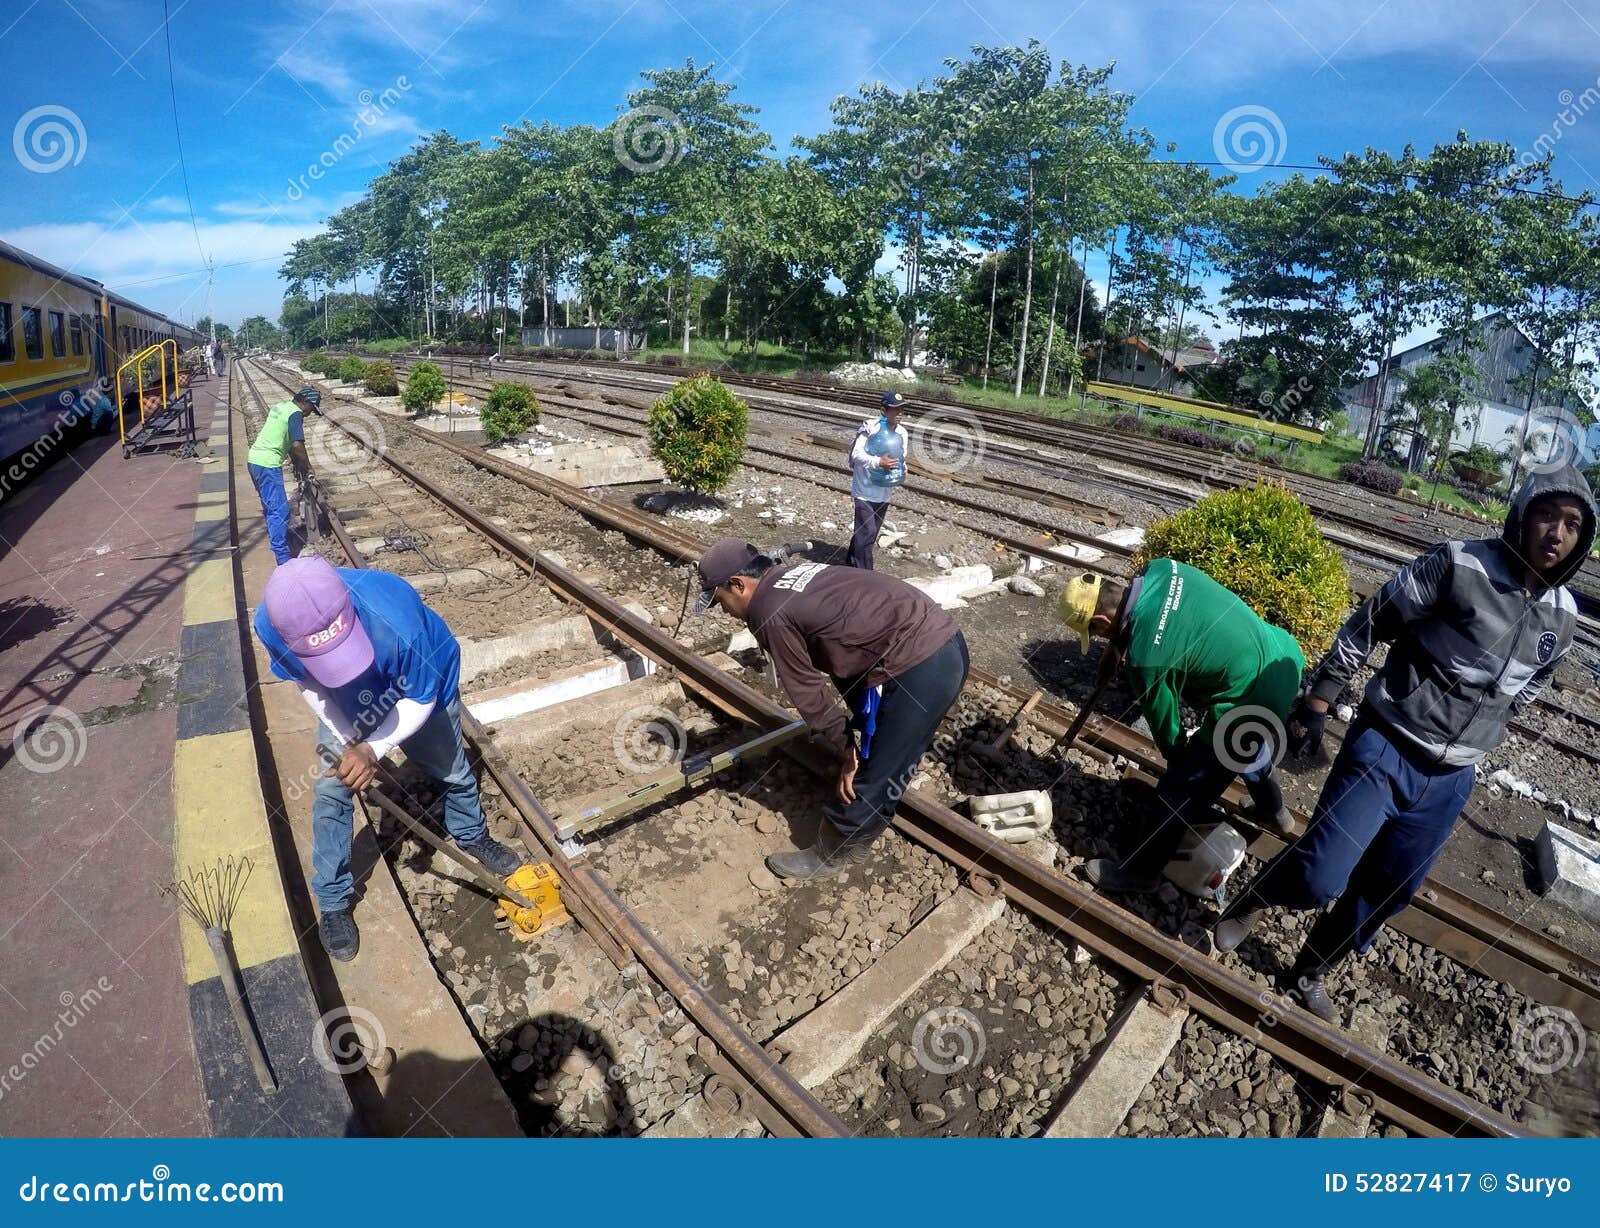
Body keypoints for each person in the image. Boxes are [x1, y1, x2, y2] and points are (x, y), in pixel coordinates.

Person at [1212, 466, 1595, 1024]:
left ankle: (1309, 972)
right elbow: (1371, 620)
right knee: (1322, 875)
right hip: (1386, 745)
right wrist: (1320, 700)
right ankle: (1256, 898)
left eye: (1572, 525)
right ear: (1521, 514)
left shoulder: (1564, 616)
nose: (1556, 534)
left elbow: (1534, 683)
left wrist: (1489, 724)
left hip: (1451, 779)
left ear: (1582, 538)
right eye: (1546, 515)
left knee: (1389, 889)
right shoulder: (1460, 564)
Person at [254, 557, 525, 961]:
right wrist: (350, 739)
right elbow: (309, 683)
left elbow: (420, 699)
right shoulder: (271, 625)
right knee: (331, 788)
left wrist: (373, 748)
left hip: (417, 686)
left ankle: (471, 834)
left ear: (348, 608)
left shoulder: (396, 618)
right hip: (343, 702)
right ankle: (332, 900)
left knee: (450, 769)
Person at [695, 538, 968, 880]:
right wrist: (851, 739)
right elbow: (841, 657)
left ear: (739, 584)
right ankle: (876, 794)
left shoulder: (768, 612)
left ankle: (836, 850)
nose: (724, 611)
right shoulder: (790, 576)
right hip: (943, 642)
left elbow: (808, 692)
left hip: (920, 667)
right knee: (880, 747)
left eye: (721, 601)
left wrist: (847, 751)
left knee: (877, 770)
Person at [1063, 558, 1306, 894]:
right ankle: (1274, 810)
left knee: (1180, 788)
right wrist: (1118, 644)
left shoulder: (1147, 657)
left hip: (1253, 699)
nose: (1099, 638)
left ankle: (1143, 873)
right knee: (1245, 739)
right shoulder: (1161, 568)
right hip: (1282, 658)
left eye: (1096, 632)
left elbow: (1167, 729)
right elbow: (1147, 615)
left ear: (1103, 621)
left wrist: (1185, 767)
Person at [246, 385, 319, 565]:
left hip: (254, 460)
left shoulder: (281, 406)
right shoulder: (296, 414)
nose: (310, 414)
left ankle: (277, 541)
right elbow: (296, 445)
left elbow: (285, 439)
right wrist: (308, 467)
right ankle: (283, 559)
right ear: (306, 404)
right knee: (280, 511)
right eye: (312, 409)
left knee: (271, 507)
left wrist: (296, 462)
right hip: (267, 465)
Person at [846, 390, 909, 569]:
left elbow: (901, 456)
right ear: (884, 410)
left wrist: (903, 469)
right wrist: (878, 462)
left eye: (902, 410)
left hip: (884, 490)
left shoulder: (903, 433)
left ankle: (850, 563)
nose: (899, 414)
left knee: (868, 533)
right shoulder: (870, 428)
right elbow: (856, 455)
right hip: (865, 491)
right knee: (868, 532)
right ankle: (865, 575)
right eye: (895, 410)